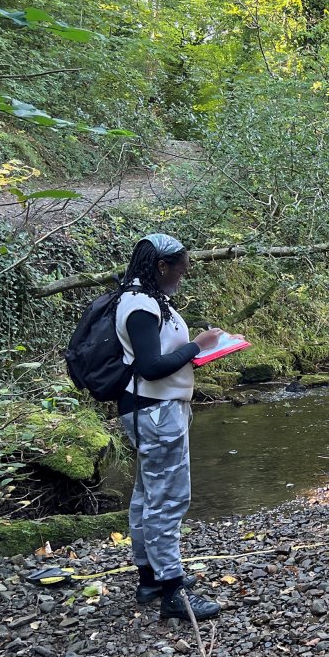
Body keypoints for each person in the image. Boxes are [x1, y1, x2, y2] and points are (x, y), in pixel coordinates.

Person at [115, 234, 224, 620]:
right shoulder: (141, 306)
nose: (183, 275)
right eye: (181, 268)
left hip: (154, 409)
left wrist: (196, 352)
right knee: (168, 500)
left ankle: (151, 579)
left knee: (147, 495)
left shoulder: (143, 297)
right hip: (156, 412)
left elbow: (158, 357)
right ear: (162, 266)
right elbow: (150, 367)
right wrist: (198, 345)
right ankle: (173, 593)